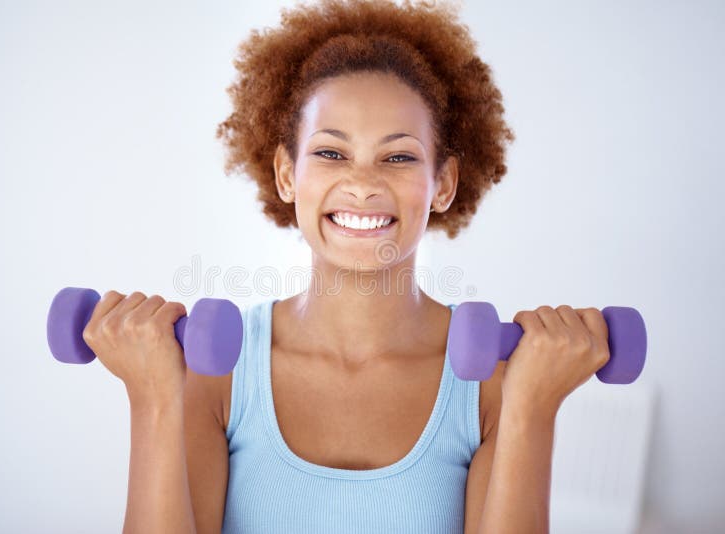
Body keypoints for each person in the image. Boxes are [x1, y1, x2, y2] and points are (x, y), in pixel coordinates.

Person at [82, 1, 612, 533]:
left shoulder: (491, 387)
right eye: (331, 154)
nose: (362, 184)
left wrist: (533, 412)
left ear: (444, 184)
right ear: (287, 175)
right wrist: (152, 399)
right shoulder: (218, 374)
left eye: (399, 157)